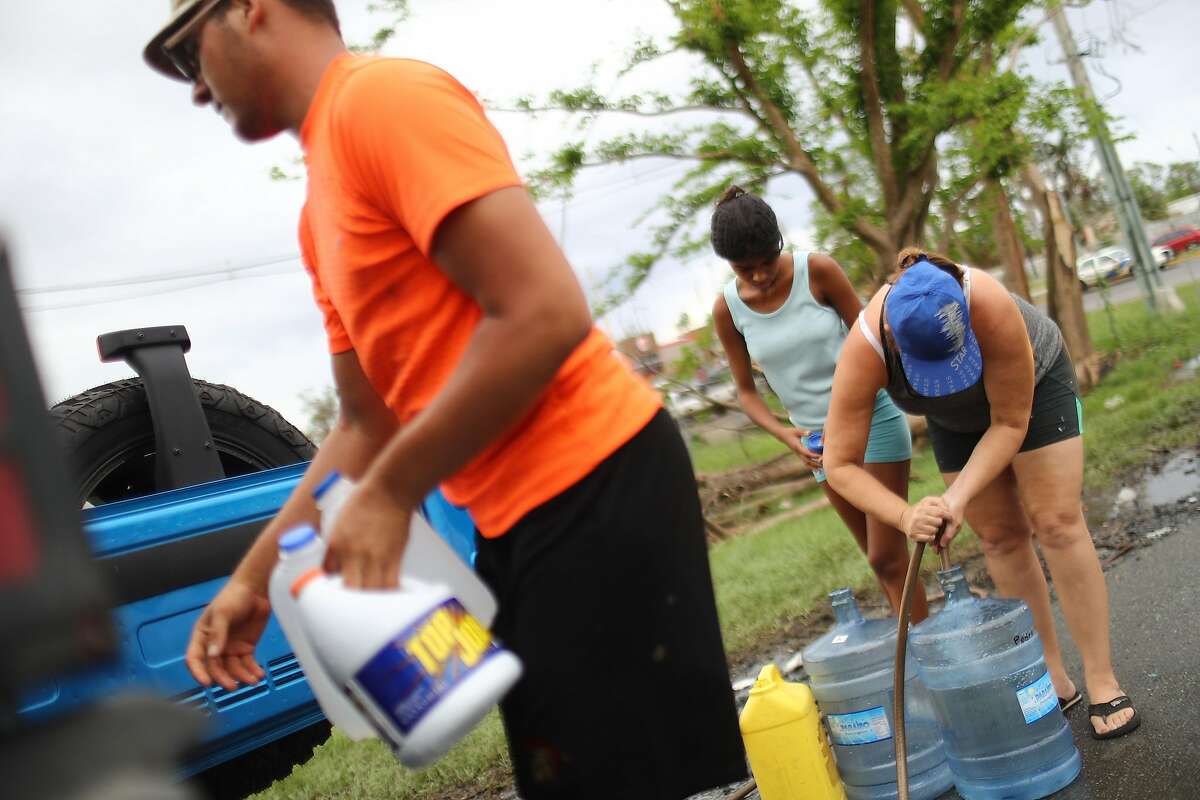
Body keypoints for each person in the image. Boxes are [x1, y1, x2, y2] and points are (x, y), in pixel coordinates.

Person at [143, 1, 747, 796]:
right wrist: (254, 581)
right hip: (515, 525)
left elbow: (543, 309)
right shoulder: (316, 206)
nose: (194, 90)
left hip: (598, 484)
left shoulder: (383, 101)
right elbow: (368, 421)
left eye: (190, 55)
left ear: (251, 11)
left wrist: (392, 493)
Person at [824, 247, 1140, 740]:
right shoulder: (866, 346)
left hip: (1034, 387)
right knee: (999, 538)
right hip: (955, 421)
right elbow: (838, 464)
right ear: (893, 337)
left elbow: (1011, 421)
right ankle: (1050, 676)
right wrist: (907, 516)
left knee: (1056, 521)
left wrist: (955, 498)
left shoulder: (987, 301)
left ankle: (1102, 678)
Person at [709, 187, 927, 622]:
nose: (757, 277)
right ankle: (919, 657)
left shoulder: (818, 271)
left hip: (872, 420)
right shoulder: (727, 310)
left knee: (889, 554)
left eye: (765, 263)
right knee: (878, 560)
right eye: (743, 269)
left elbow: (875, 336)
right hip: (816, 442)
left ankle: (929, 652)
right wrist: (786, 436)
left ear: (779, 245)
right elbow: (746, 393)